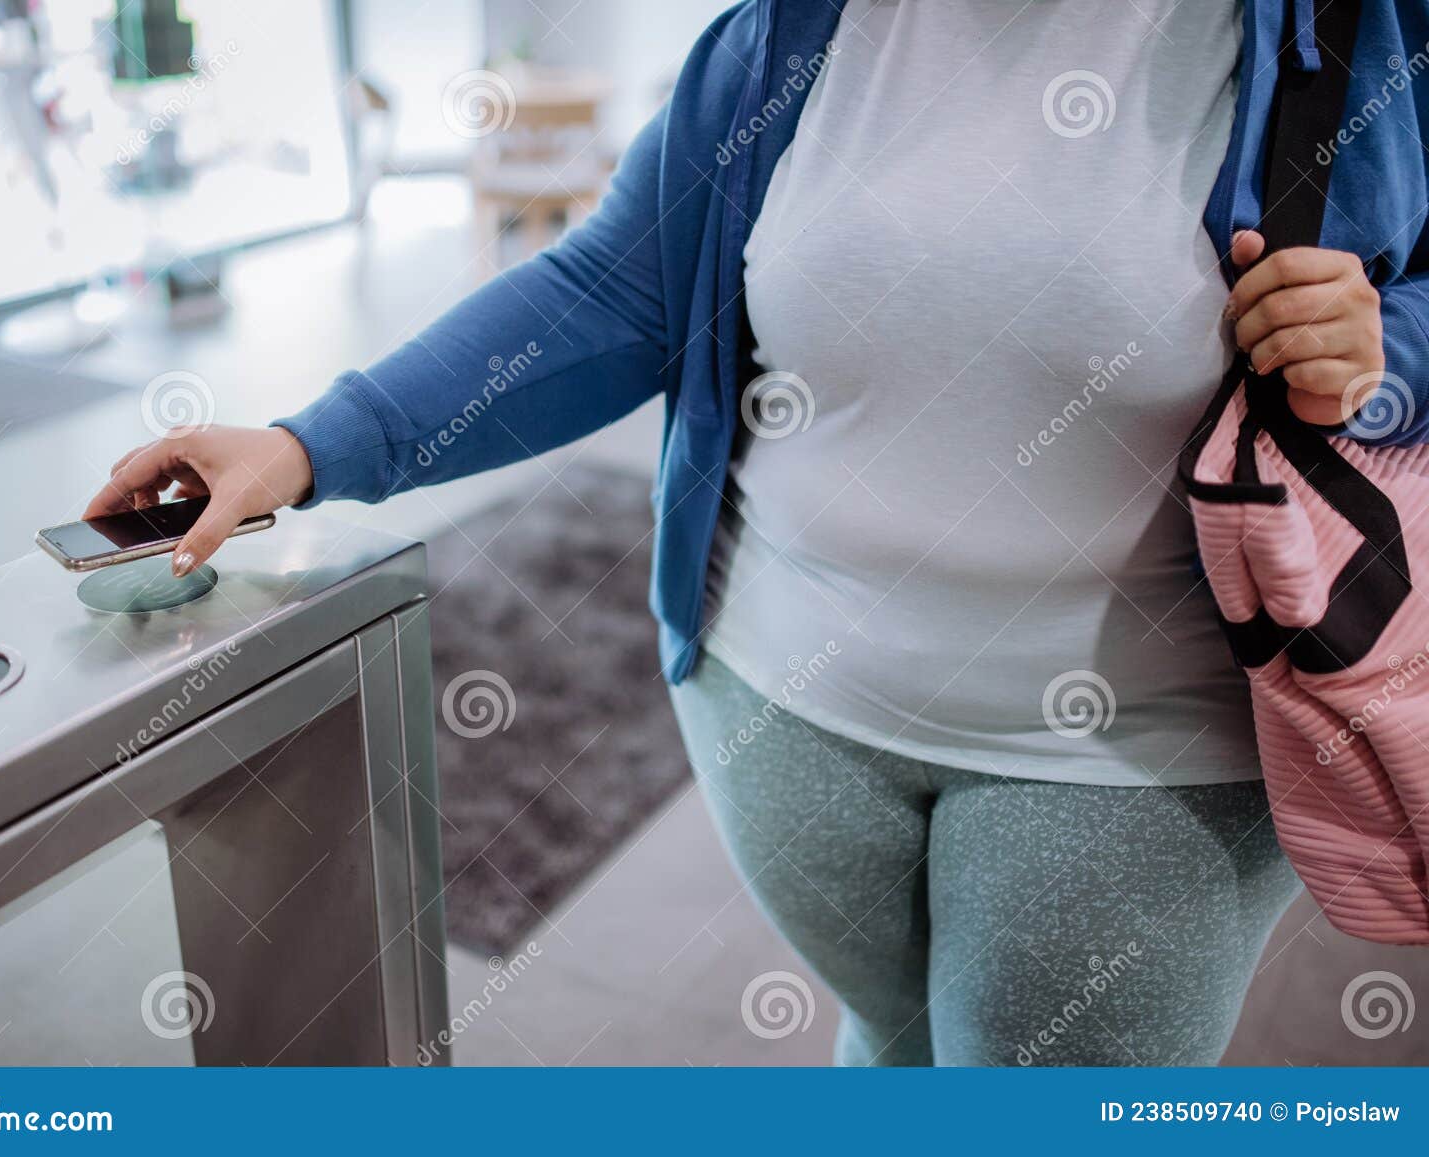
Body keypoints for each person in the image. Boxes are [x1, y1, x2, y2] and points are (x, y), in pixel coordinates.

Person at [87, 0, 1428, 1065]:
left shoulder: (1363, 39)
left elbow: (1412, 302)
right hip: (780, 699)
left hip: (1139, 754)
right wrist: (311, 445)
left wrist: (1382, 348)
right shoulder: (786, 32)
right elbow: (611, 288)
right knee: (894, 1046)